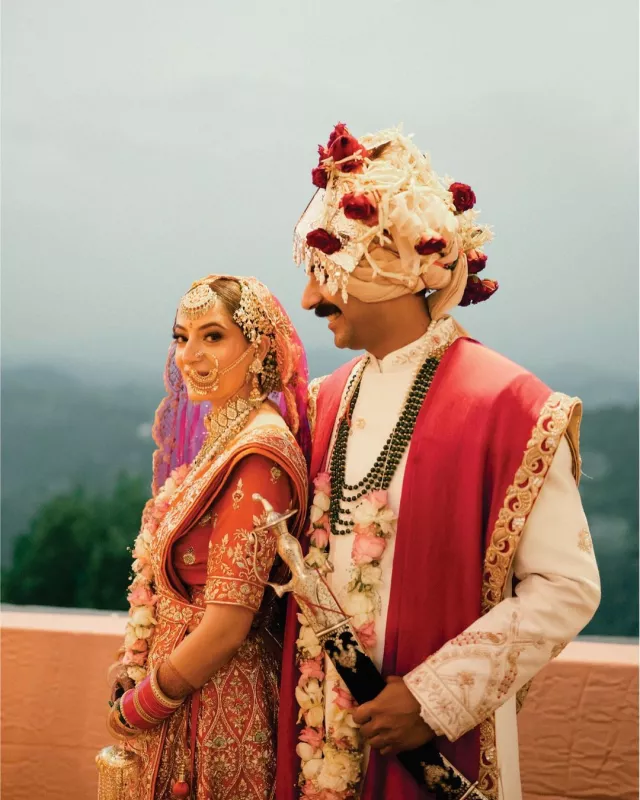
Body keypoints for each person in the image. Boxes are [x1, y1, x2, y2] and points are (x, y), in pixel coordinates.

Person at [276, 124, 601, 800]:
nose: (308, 300)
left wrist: (430, 699)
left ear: (385, 267)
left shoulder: (511, 405)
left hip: (439, 756)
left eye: (323, 272)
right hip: (317, 736)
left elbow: (566, 588)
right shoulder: (320, 404)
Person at [106, 275, 310, 800]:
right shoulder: (224, 437)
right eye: (181, 337)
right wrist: (137, 661)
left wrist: (144, 703)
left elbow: (226, 624)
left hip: (216, 705)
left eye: (213, 336)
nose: (189, 355)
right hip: (179, 683)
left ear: (260, 346)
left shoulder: (259, 454)